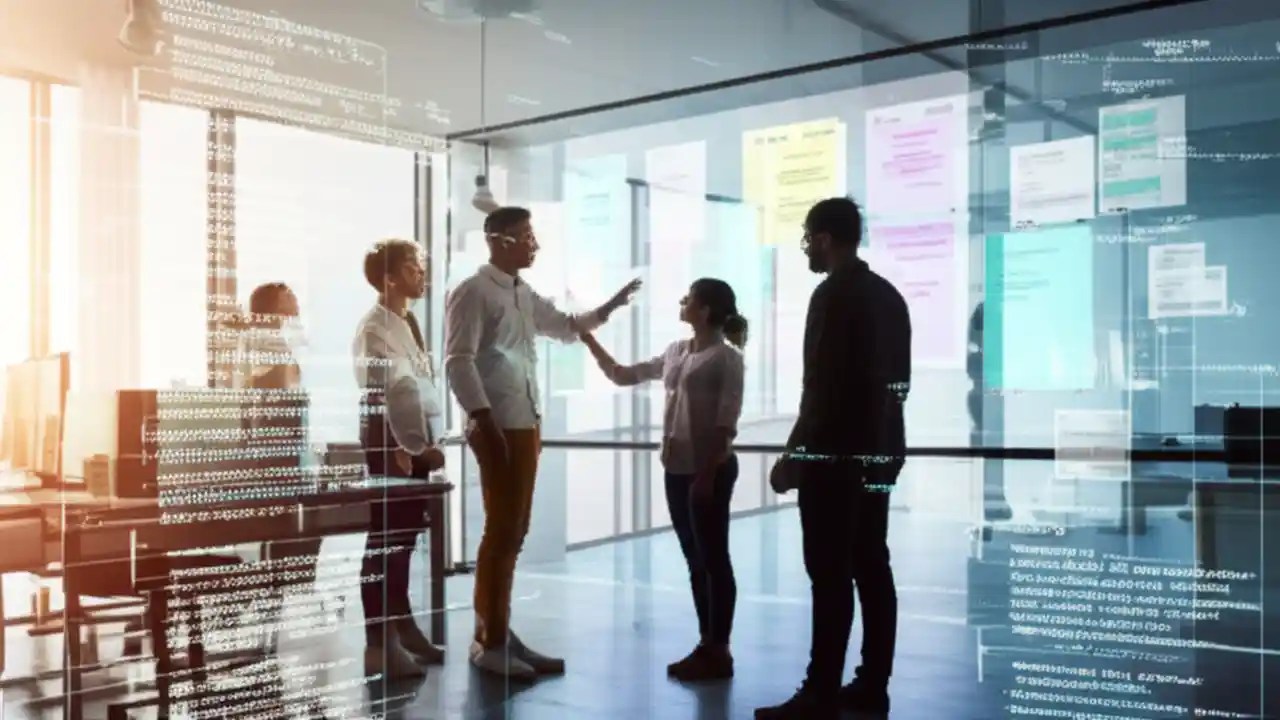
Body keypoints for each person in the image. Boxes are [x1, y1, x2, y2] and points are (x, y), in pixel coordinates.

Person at [444, 206, 641, 679]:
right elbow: (458, 360)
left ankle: (498, 633)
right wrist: (483, 420)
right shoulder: (473, 292)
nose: (534, 244)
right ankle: (489, 641)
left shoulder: (519, 290)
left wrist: (608, 308)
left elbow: (564, 326)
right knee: (503, 531)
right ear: (498, 240)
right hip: (500, 423)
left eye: (532, 236)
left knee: (513, 531)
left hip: (523, 421)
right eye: (525, 236)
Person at [756, 197, 911, 720]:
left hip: (834, 460)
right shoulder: (889, 296)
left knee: (829, 573)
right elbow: (898, 386)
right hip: (879, 458)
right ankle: (871, 685)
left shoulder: (832, 295)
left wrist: (793, 454)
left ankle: (820, 692)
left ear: (824, 238)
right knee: (872, 565)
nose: (806, 249)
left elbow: (818, 390)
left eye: (807, 239)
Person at [580, 278, 747, 682]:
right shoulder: (676, 351)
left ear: (704, 310)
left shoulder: (727, 358)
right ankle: (707, 643)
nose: (682, 301)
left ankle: (718, 648)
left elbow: (726, 423)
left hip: (709, 469)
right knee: (695, 558)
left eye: (688, 298)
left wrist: (707, 474)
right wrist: (589, 342)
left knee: (713, 558)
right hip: (676, 469)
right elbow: (623, 375)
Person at [352, 239, 448, 679]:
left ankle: (403, 627)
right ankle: (381, 644)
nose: (420, 274)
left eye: (420, 266)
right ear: (389, 277)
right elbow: (391, 393)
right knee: (385, 543)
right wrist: (410, 446)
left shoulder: (405, 321)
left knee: (403, 541)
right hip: (390, 439)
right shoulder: (376, 327)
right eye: (412, 268)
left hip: (409, 439)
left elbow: (418, 387)